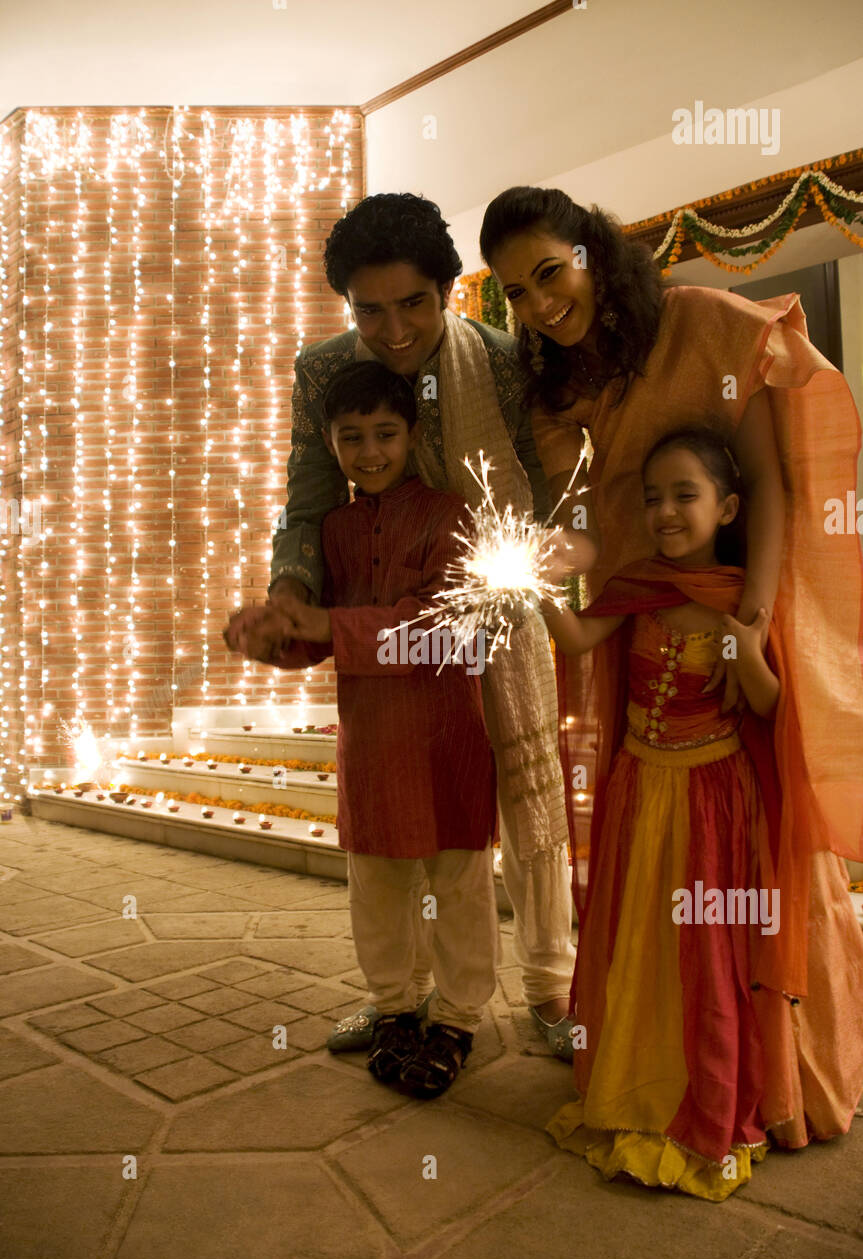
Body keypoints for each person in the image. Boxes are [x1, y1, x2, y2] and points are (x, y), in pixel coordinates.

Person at [224, 193, 597, 1058]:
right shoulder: (324, 372)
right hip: (385, 604)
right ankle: (402, 999)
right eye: (369, 309)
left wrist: (546, 562)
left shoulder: (509, 360)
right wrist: (290, 593)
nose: (392, 331)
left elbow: (550, 494)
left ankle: (548, 986)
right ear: (346, 307)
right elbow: (307, 502)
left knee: (528, 793)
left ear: (452, 290)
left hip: (496, 605)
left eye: (414, 304)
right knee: (399, 819)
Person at [479, 184, 863, 933]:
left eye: (550, 274)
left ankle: (765, 1029)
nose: (538, 307)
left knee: (762, 818)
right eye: (516, 292)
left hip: (743, 599)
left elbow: (764, 482)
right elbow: (588, 521)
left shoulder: (700, 320)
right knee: (651, 818)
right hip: (639, 604)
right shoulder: (553, 390)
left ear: (591, 253)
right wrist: (551, 557)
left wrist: (746, 623)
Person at [538, 429, 863, 1200]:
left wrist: (746, 653)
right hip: (637, 790)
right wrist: (532, 588)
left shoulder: (739, 599)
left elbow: (772, 708)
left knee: (706, 951)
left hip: (714, 800)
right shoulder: (635, 586)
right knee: (642, 942)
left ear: (728, 506)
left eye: (684, 494)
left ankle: (707, 1093)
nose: (664, 511)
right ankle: (634, 1079)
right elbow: (581, 636)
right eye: (652, 497)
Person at [229, 361, 500, 1098]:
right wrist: (273, 639)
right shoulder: (334, 531)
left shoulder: (452, 514)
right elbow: (319, 641)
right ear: (331, 442)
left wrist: (326, 624)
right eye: (353, 438)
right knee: (375, 886)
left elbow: (443, 630)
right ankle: (394, 1007)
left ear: (413, 435)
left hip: (446, 736)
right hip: (374, 742)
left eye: (385, 434)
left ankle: (458, 1017)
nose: (371, 452)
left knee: (458, 883)